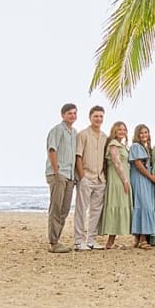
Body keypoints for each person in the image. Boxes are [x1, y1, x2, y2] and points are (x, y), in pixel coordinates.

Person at [45, 103, 77, 253]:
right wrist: (56, 171)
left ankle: (57, 239)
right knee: (56, 208)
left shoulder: (74, 133)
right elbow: (52, 150)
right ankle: (53, 242)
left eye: (74, 113)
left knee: (64, 209)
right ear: (63, 115)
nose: (72, 116)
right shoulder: (57, 130)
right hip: (59, 174)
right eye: (69, 113)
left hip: (70, 175)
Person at [74, 105, 107, 251]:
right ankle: (79, 241)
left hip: (100, 179)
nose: (98, 119)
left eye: (101, 116)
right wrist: (82, 177)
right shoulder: (83, 134)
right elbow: (78, 156)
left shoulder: (105, 137)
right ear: (90, 117)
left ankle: (91, 240)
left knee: (96, 211)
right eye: (96, 116)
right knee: (81, 209)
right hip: (86, 177)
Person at [98, 121, 132, 249]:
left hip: (123, 178)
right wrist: (124, 180)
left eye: (124, 129)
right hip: (118, 180)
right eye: (119, 130)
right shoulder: (113, 144)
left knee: (120, 206)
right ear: (114, 131)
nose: (122, 132)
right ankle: (110, 241)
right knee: (116, 206)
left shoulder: (121, 145)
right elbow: (117, 163)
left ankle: (112, 241)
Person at [128, 124, 155, 249]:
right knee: (143, 205)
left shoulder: (147, 148)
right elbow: (138, 164)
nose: (144, 135)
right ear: (137, 134)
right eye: (141, 133)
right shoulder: (136, 146)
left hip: (146, 180)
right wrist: (151, 177)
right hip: (141, 178)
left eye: (146, 132)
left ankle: (137, 239)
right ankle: (142, 239)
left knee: (143, 205)